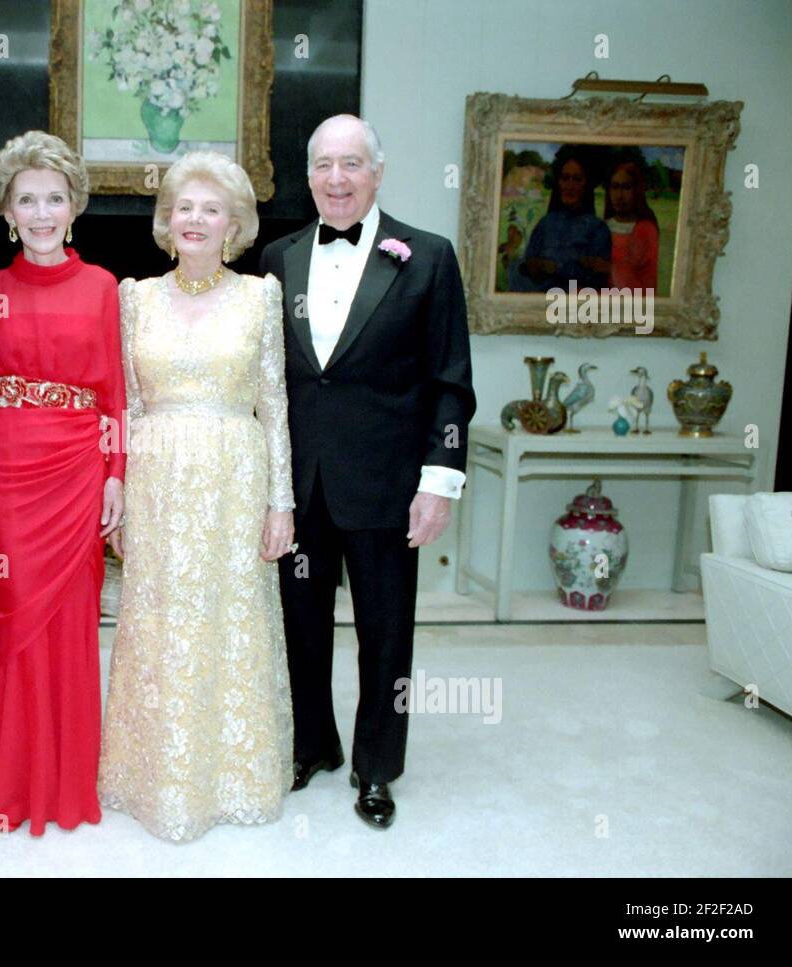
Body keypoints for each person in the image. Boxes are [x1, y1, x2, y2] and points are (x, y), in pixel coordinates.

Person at [259, 115, 475, 830]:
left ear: (378, 172)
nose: (338, 178)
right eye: (324, 163)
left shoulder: (430, 257)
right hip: (301, 484)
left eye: (352, 163)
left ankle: (377, 766)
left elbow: (450, 381)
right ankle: (311, 745)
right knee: (299, 625)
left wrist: (439, 478)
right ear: (309, 172)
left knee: (387, 634)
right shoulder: (276, 257)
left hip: (388, 485)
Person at [99, 150, 296, 842]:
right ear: (166, 218)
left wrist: (283, 502)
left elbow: (273, 401)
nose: (195, 218)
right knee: (157, 623)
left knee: (229, 620)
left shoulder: (259, 295)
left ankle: (231, 776)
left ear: (234, 224)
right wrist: (113, 482)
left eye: (212, 208)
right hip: (154, 482)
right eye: (184, 206)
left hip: (234, 481)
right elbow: (121, 402)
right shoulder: (135, 296)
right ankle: (149, 775)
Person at [0, 131, 125, 836]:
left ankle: (66, 779)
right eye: (26, 199)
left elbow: (117, 393)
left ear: (74, 206)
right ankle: (13, 780)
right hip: (9, 464)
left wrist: (117, 472)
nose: (40, 211)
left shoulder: (104, 287)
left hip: (80, 465)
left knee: (73, 618)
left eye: (53, 197)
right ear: (6, 209)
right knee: (15, 617)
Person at [507, 147, 612, 292]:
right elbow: (528, 264)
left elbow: (598, 279)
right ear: (559, 183)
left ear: (586, 185)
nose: (570, 185)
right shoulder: (546, 223)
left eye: (577, 179)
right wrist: (531, 267)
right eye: (565, 178)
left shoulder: (597, 228)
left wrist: (556, 268)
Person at [603, 160, 659, 292]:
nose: (619, 196)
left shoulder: (646, 230)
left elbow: (647, 286)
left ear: (637, 190)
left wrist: (610, 268)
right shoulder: (602, 227)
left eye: (626, 187)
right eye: (614, 187)